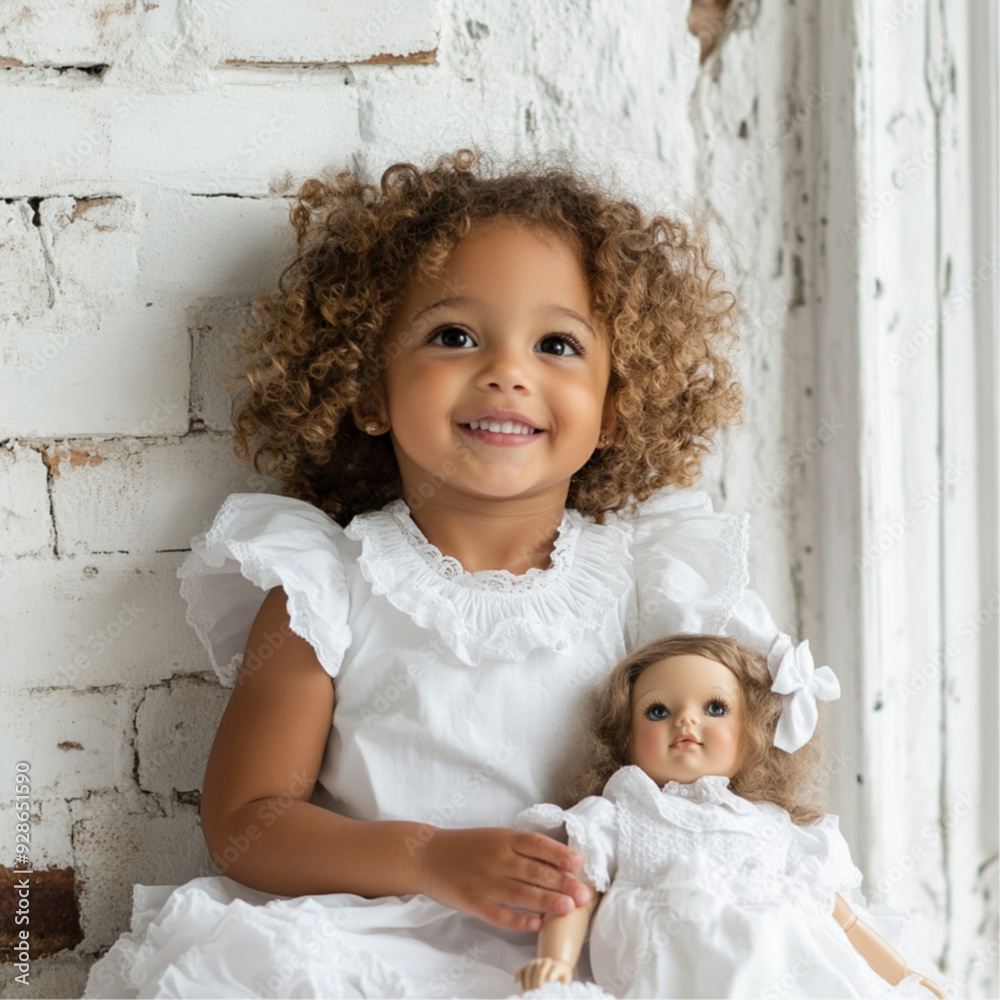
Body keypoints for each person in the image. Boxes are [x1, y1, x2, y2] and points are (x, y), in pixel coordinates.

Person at [86, 147, 789, 998]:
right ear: (369, 388)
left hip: (591, 949)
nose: (509, 370)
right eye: (454, 335)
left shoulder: (650, 582)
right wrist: (430, 857)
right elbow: (245, 826)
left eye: (558, 343)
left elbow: (718, 778)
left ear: (614, 406)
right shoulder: (328, 583)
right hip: (385, 941)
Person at [514, 633, 947, 999]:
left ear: (753, 733)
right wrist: (555, 962)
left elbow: (840, 915)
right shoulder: (620, 814)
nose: (686, 719)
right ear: (625, 737)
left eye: (715, 709)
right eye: (658, 711)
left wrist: (903, 972)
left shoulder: (772, 826)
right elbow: (575, 891)